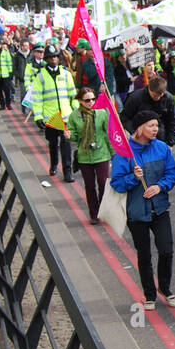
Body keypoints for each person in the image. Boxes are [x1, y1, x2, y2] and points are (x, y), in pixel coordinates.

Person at [111, 111, 175, 309]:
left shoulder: (161, 148)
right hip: (136, 213)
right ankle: (149, 294)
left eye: (157, 126)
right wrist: (133, 177)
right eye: (151, 126)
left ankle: (165, 288)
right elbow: (117, 184)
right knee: (144, 255)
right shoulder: (124, 153)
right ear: (139, 128)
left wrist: (160, 186)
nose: (156, 129)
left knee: (166, 250)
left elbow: (171, 173)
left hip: (160, 209)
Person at [31, 44, 77, 180]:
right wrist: (38, 116)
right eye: (51, 58)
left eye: (56, 57)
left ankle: (67, 172)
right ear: (46, 59)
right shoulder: (40, 76)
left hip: (65, 116)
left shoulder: (66, 74)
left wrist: (75, 108)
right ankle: (54, 164)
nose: (54, 60)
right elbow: (37, 97)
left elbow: (72, 94)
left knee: (66, 145)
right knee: (52, 143)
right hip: (51, 117)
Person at [68, 87, 112, 224]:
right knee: (89, 186)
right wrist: (69, 135)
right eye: (87, 100)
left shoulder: (101, 112)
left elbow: (108, 134)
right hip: (84, 155)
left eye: (93, 99)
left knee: (103, 183)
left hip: (102, 153)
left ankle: (104, 211)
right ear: (80, 101)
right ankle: (94, 214)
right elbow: (74, 136)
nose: (91, 102)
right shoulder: (74, 116)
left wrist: (114, 152)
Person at [121, 71, 175, 146]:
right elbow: (124, 118)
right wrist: (135, 131)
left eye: (160, 95)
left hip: (161, 139)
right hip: (140, 139)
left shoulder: (168, 98)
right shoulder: (135, 98)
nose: (157, 98)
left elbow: (173, 121)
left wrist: (170, 143)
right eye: (154, 95)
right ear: (149, 89)